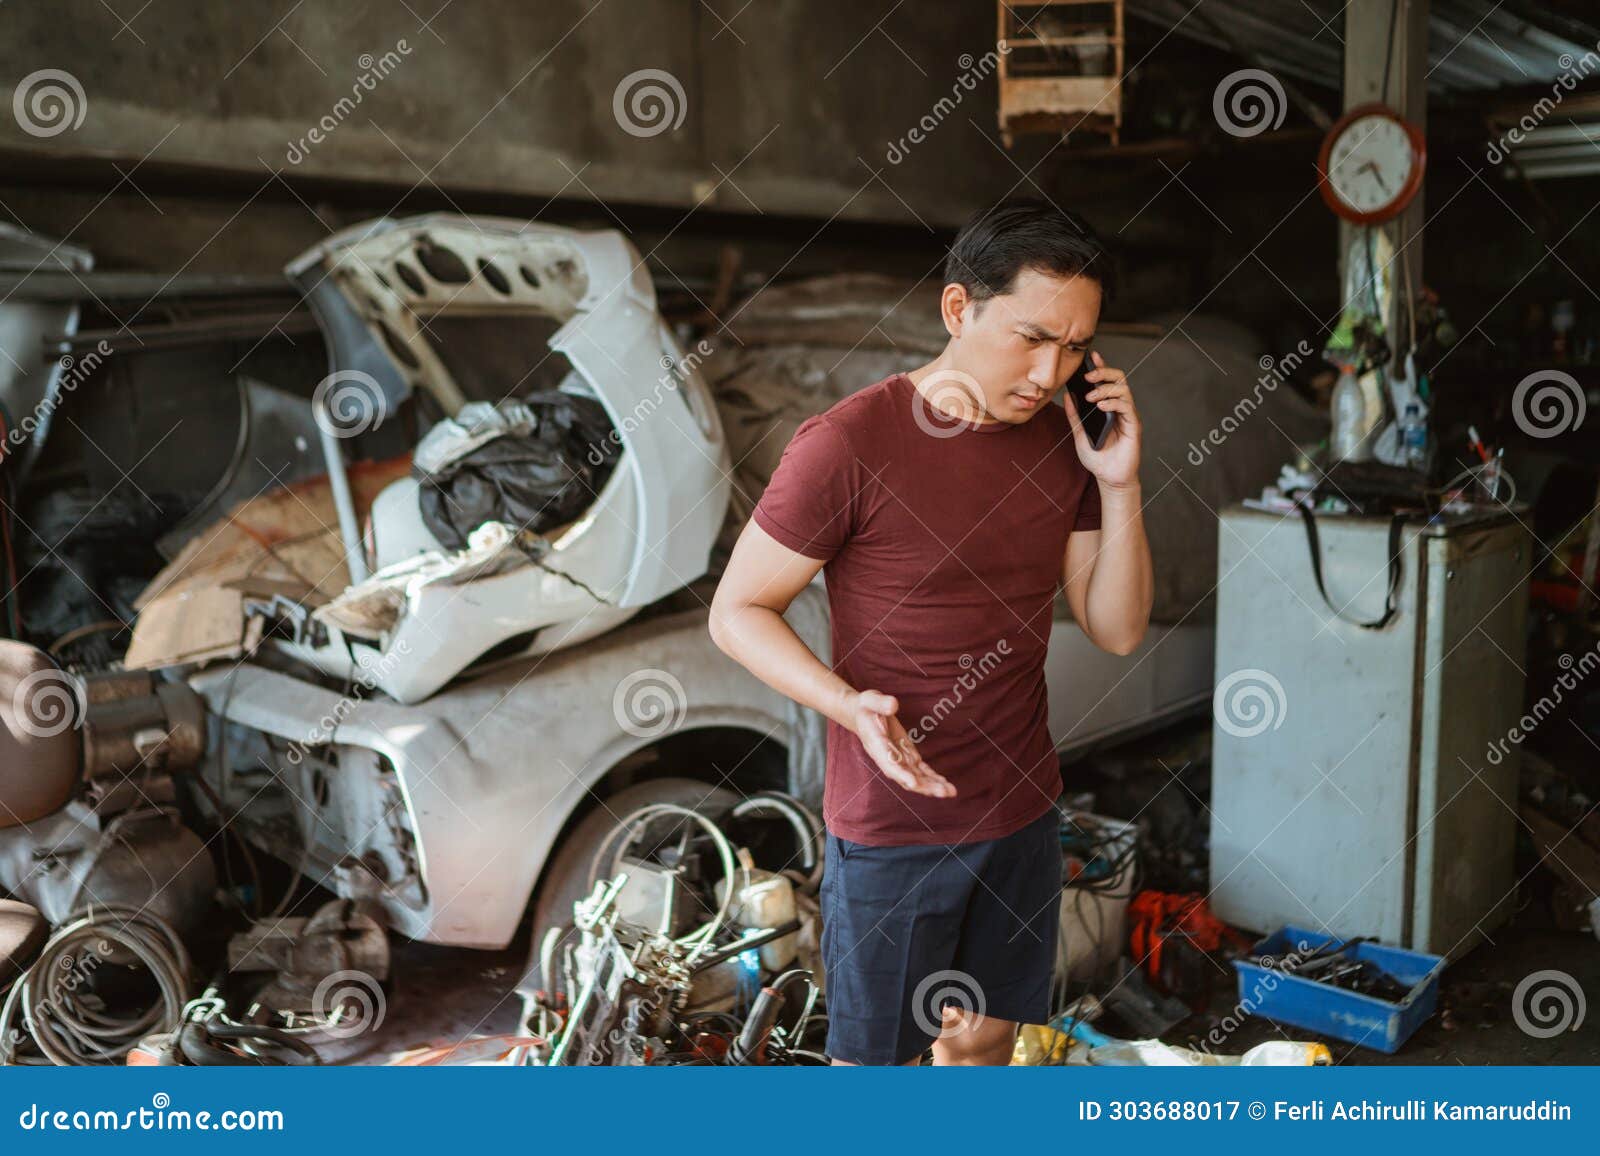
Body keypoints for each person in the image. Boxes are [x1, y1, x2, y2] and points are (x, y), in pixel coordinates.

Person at [708, 198, 1153, 1065]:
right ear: (959, 309)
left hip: (1022, 807)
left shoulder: (1067, 444)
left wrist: (1122, 482)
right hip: (892, 825)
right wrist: (847, 705)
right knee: (877, 1071)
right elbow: (737, 612)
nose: (1049, 371)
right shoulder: (847, 443)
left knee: (984, 1044)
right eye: (1030, 337)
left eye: (1073, 347)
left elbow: (1118, 626)